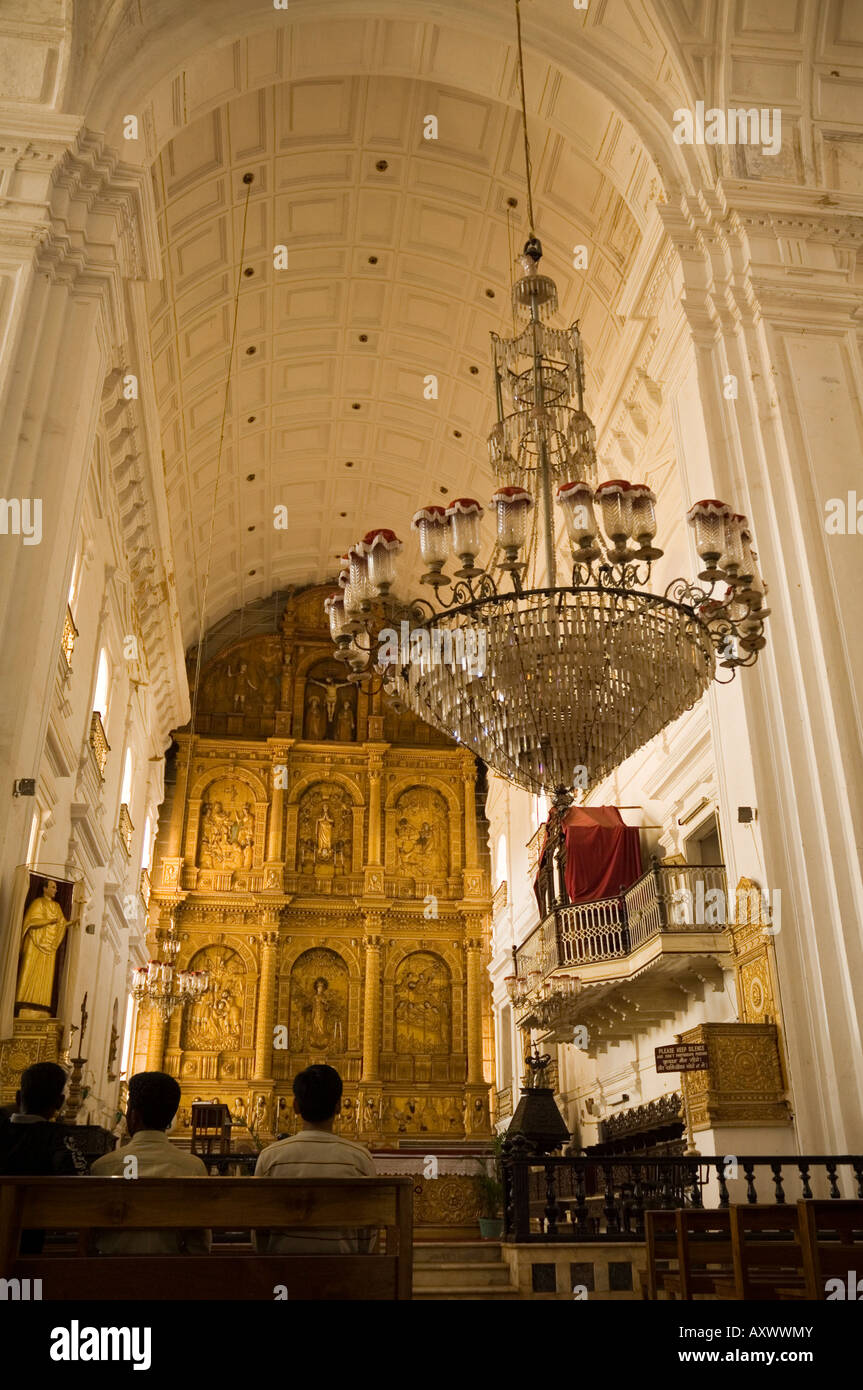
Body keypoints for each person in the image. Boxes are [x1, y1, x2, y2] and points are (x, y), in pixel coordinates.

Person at [253, 1064, 376, 1253]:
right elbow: (369, 1229)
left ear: (296, 1106)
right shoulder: (359, 1159)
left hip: (282, 1273)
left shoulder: (271, 1157)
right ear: (338, 1107)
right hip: (343, 1273)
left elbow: (259, 1227)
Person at [90, 1071, 211, 1254]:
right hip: (170, 1274)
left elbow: (90, 1236)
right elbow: (199, 1243)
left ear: (133, 1115)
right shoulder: (192, 1168)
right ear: (171, 1117)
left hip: (111, 1273)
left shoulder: (102, 1167)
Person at [0, 1063, 87, 1254]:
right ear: (60, 1101)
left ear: (18, 1097)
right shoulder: (57, 1137)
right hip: (30, 1235)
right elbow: (77, 1181)